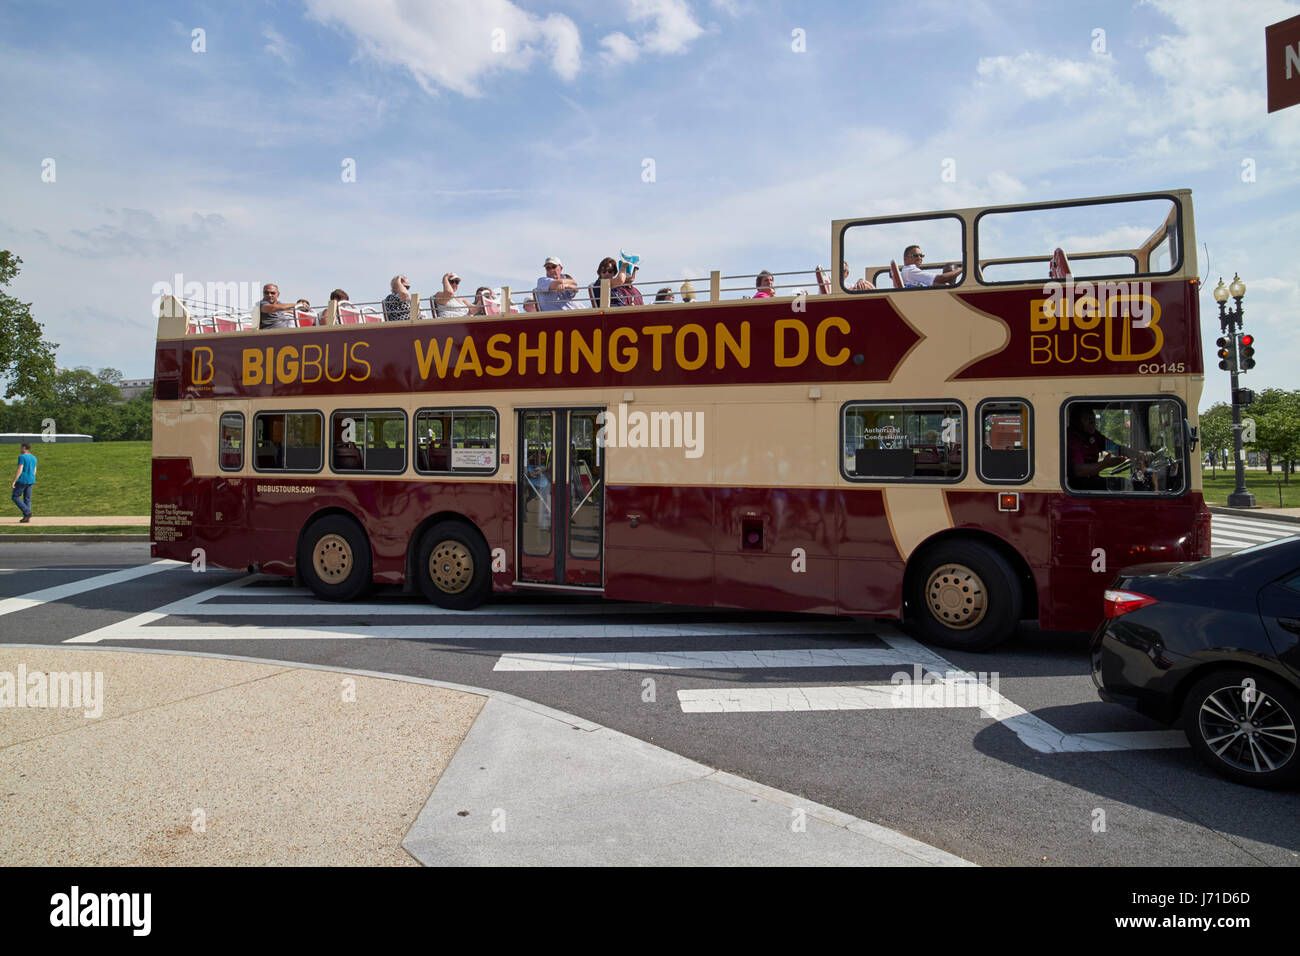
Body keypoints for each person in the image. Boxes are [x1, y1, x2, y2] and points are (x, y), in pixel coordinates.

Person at [1066, 406, 1149, 489]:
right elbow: (1079, 470)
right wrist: (1104, 464)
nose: (1093, 422)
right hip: (1076, 486)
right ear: (1077, 422)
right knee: (1123, 486)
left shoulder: (1094, 435)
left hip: (1092, 479)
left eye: (1093, 419)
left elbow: (1115, 447)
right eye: (1088, 419)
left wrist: (1138, 454)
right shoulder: (1071, 438)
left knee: (1123, 483)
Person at [11, 442, 36, 523]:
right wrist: (32, 478)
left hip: (23, 480)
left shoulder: (22, 457)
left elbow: (20, 469)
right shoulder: (34, 458)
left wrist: (14, 481)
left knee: (15, 497)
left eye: (21, 447)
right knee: (27, 499)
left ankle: (27, 512)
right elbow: (34, 470)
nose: (20, 449)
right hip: (31, 480)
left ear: (24, 448)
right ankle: (26, 518)